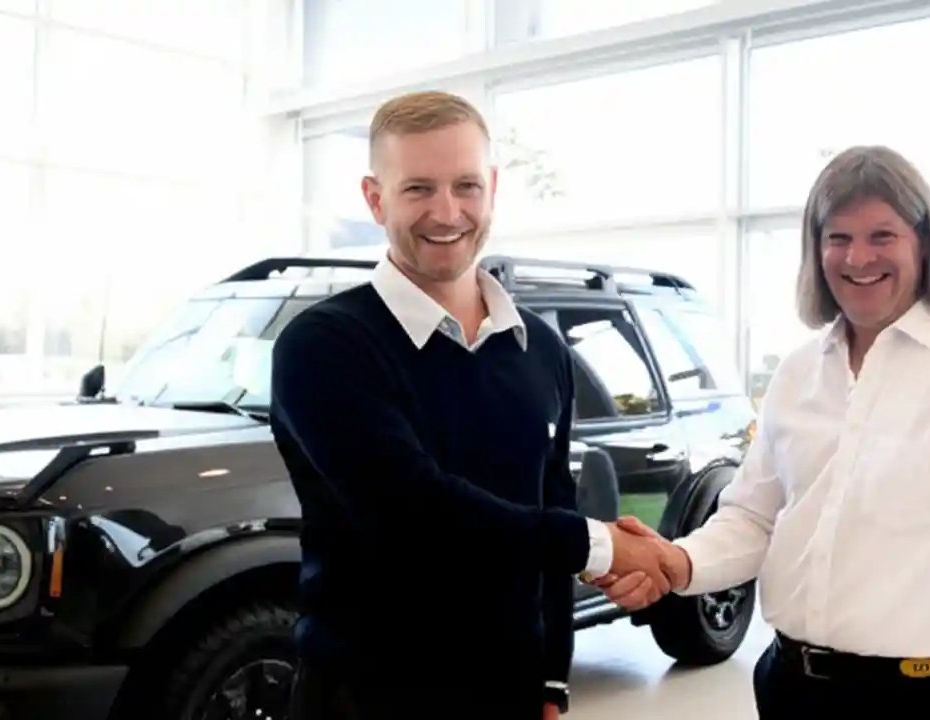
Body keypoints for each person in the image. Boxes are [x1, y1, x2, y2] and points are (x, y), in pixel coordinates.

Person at [596, 145, 930, 720]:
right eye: (838, 237)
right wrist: (677, 562)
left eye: (883, 235)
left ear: (924, 242)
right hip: (792, 688)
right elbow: (754, 517)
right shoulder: (799, 371)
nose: (858, 258)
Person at [268, 90, 670, 720]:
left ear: (493, 189)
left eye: (466, 186)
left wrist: (552, 679)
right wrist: (598, 547)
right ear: (375, 199)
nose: (446, 212)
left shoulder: (541, 348)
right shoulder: (324, 346)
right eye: (418, 189)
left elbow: (550, 506)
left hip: (510, 692)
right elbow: (414, 512)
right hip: (367, 698)